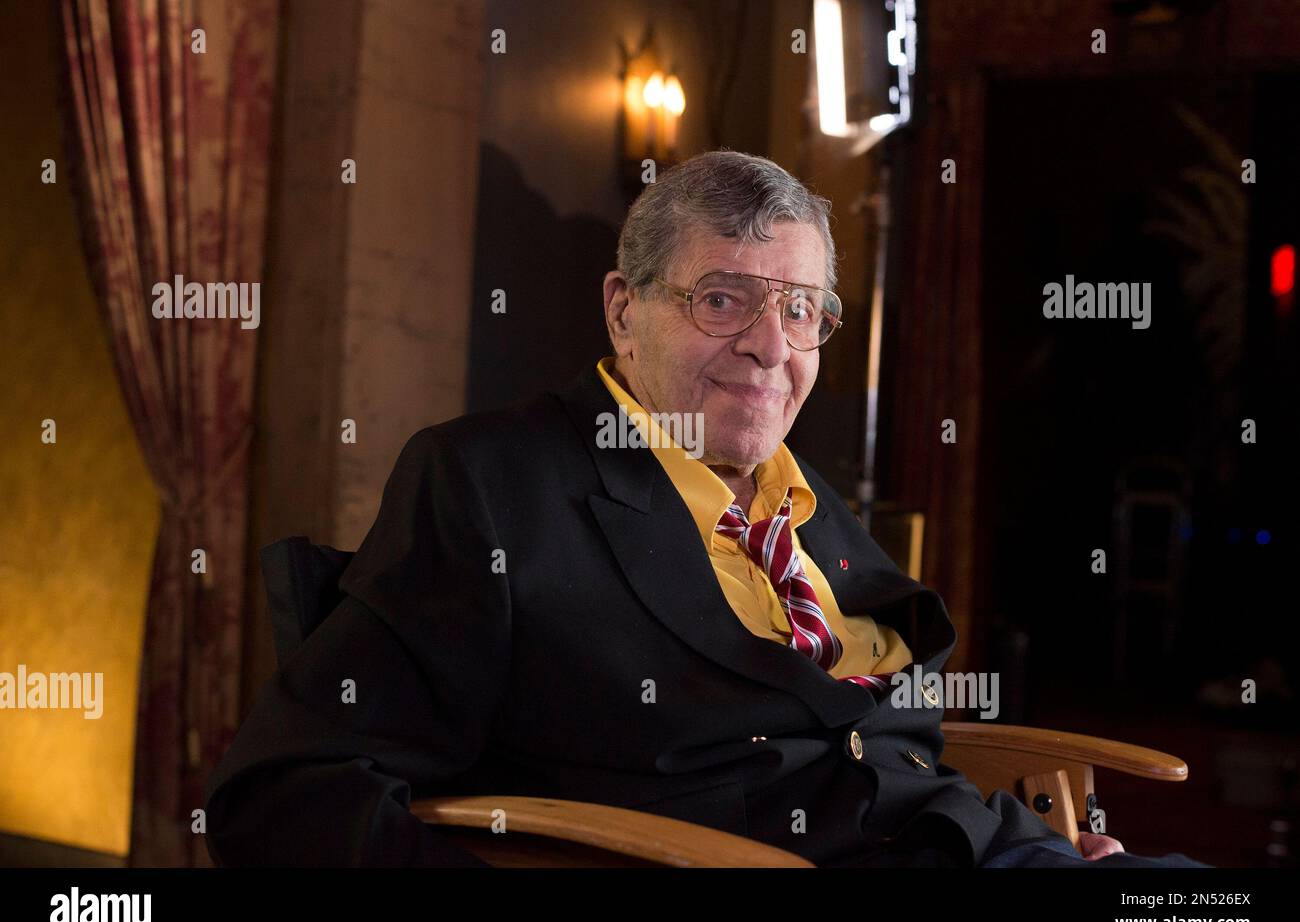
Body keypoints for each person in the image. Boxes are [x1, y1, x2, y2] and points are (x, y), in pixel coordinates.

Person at [204, 149, 1209, 868]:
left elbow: (885, 737)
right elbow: (286, 795)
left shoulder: (803, 507)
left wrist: (1049, 846)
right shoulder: (492, 488)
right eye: (723, 300)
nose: (774, 347)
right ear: (622, 310)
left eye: (801, 309)